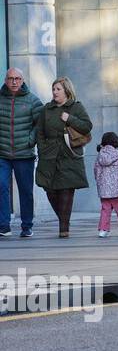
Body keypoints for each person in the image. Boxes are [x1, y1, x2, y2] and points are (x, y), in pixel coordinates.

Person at [34, 77, 92, 239]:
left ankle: (63, 227)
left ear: (66, 90)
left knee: (66, 189)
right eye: (53, 89)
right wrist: (43, 148)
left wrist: (70, 118)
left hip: (69, 154)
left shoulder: (76, 107)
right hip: (49, 154)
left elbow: (87, 126)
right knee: (49, 187)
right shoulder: (47, 109)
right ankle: (64, 220)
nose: (55, 92)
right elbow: (40, 132)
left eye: (58, 89)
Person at [0, 68, 44, 238]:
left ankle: (27, 226)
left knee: (25, 191)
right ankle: (4, 226)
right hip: (2, 154)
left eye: (17, 79)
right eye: (11, 79)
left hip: (24, 154)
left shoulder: (32, 100)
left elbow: (40, 124)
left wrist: (30, 140)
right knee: (1, 187)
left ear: (22, 80)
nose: (14, 82)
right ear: (5, 80)